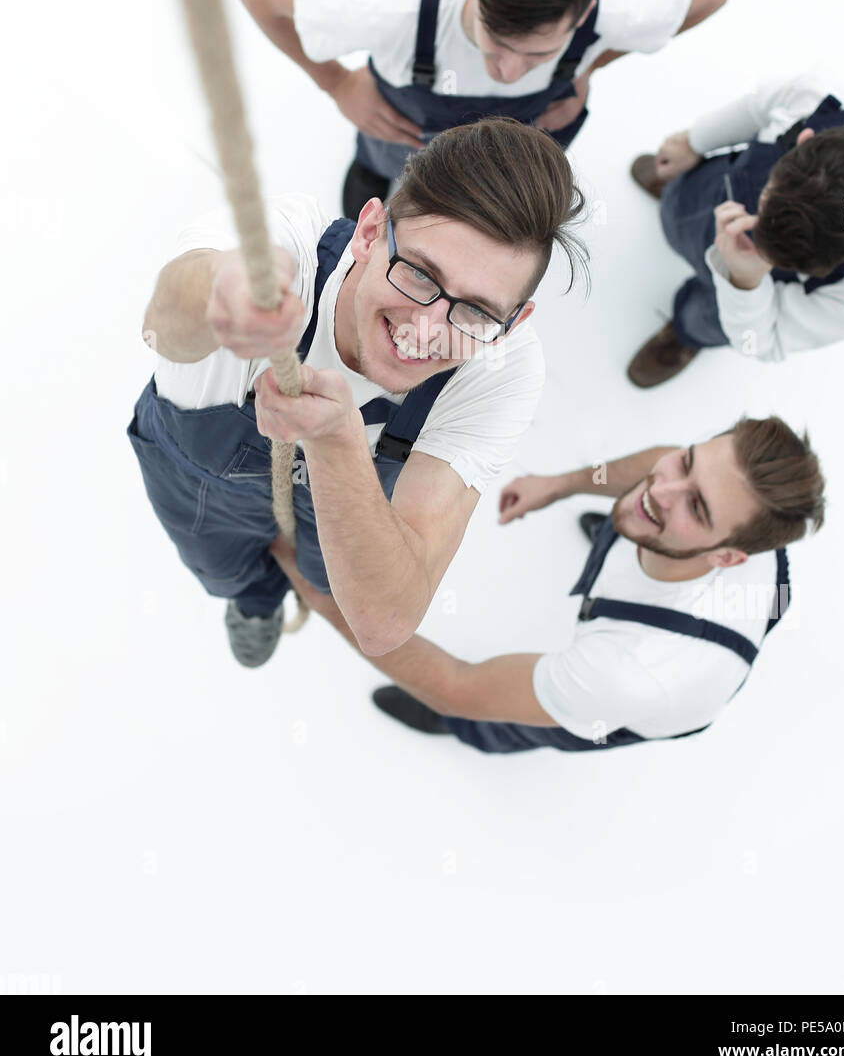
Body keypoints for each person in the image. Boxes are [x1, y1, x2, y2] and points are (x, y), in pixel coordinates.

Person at [129, 118, 586, 667]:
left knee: (332, 577)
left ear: (512, 322)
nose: (426, 328)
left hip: (341, 511)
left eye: (476, 311)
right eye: (418, 273)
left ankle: (309, 583)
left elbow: (385, 619)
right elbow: (165, 325)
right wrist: (222, 292)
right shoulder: (286, 248)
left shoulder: (501, 368)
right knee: (221, 564)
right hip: (201, 488)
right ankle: (251, 601)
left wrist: (337, 445)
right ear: (370, 231)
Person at [268, 417, 825, 754]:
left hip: (627, 694)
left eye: (697, 507)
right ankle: (639, 545)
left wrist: (321, 593)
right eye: (687, 461)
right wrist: (563, 486)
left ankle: (466, 733)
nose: (661, 487)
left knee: (509, 721)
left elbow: (457, 683)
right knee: (650, 511)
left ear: (729, 556)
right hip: (671, 598)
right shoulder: (734, 495)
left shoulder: (624, 676)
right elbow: (660, 467)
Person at [234, 0, 728, 218]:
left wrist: (586, 67)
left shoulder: (620, 5)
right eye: (497, 43)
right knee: (372, 182)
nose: (510, 72)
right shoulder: (390, 1)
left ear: (585, 15)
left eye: (537, 53)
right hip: (400, 133)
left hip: (521, 141)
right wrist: (337, 83)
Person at [625, 68, 844, 386]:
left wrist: (744, 283)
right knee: (680, 203)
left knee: (704, 319)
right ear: (803, 140)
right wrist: (692, 142)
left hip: (746, 302)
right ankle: (674, 197)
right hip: (713, 190)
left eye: (782, 255)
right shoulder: (827, 91)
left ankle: (684, 334)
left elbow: (766, 339)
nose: (749, 237)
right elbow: (755, 109)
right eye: (768, 201)